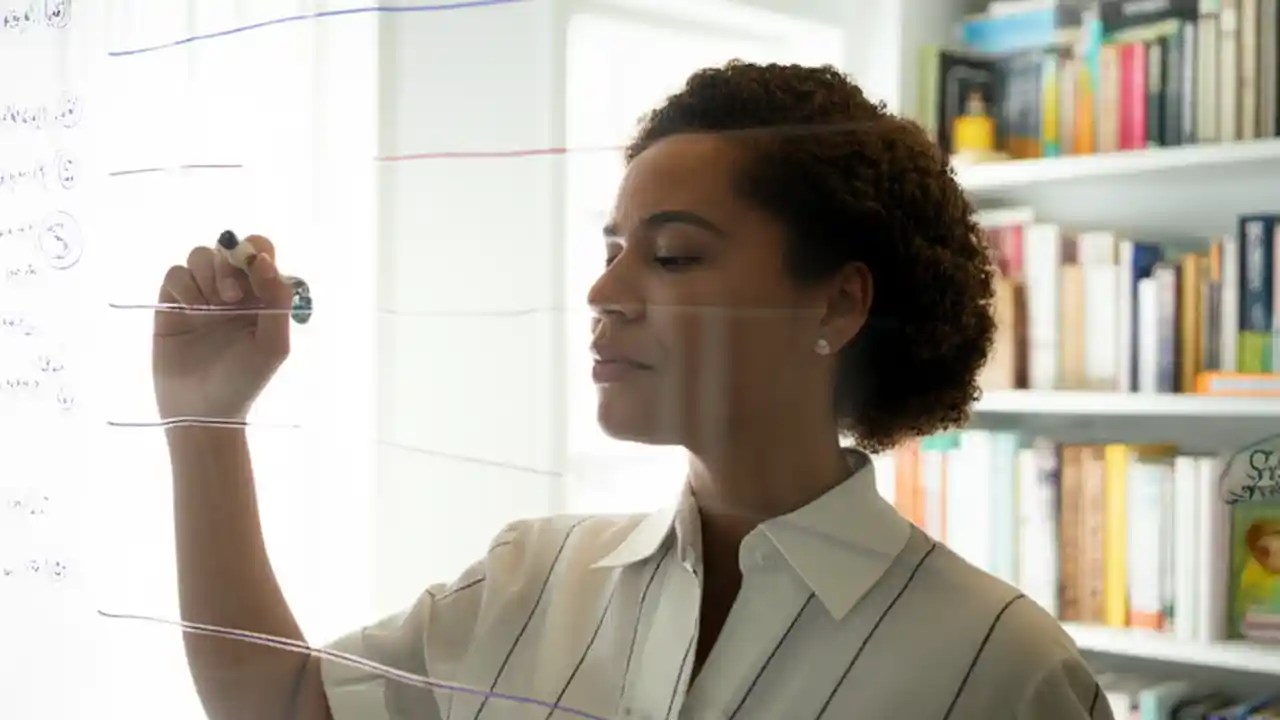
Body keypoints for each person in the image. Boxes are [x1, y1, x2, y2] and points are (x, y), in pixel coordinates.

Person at [156, 62, 1112, 720]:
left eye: (673, 255)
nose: (604, 293)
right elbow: (280, 704)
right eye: (613, 250)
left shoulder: (1001, 669)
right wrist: (205, 418)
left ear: (837, 301)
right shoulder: (531, 579)